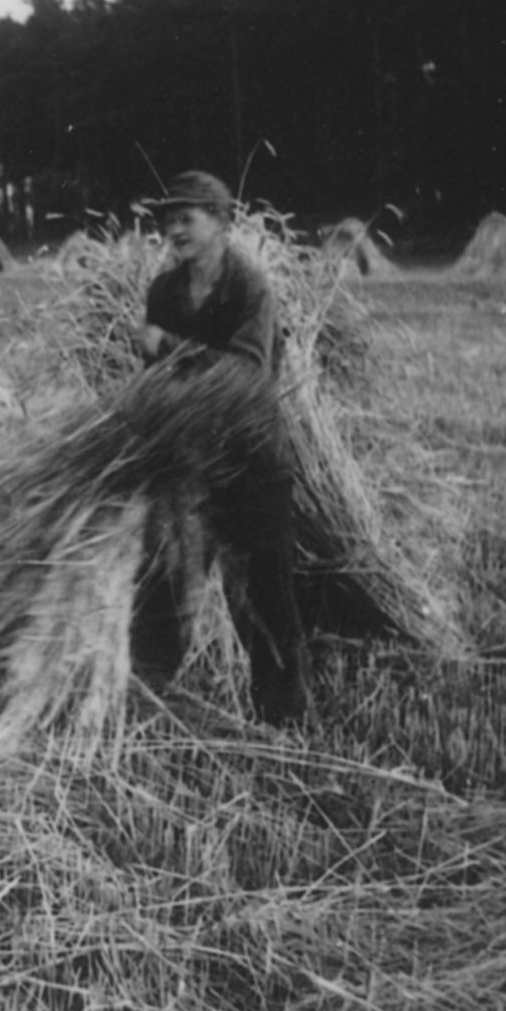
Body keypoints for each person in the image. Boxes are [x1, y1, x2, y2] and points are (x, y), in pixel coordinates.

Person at [132, 171, 312, 724]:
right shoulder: (163, 291)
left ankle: (283, 718)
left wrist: (170, 347)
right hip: (188, 455)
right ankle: (146, 700)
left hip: (251, 455)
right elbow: (156, 379)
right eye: (167, 219)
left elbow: (247, 374)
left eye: (186, 217)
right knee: (163, 581)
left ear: (222, 222)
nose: (173, 229)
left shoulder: (251, 288)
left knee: (263, 592)